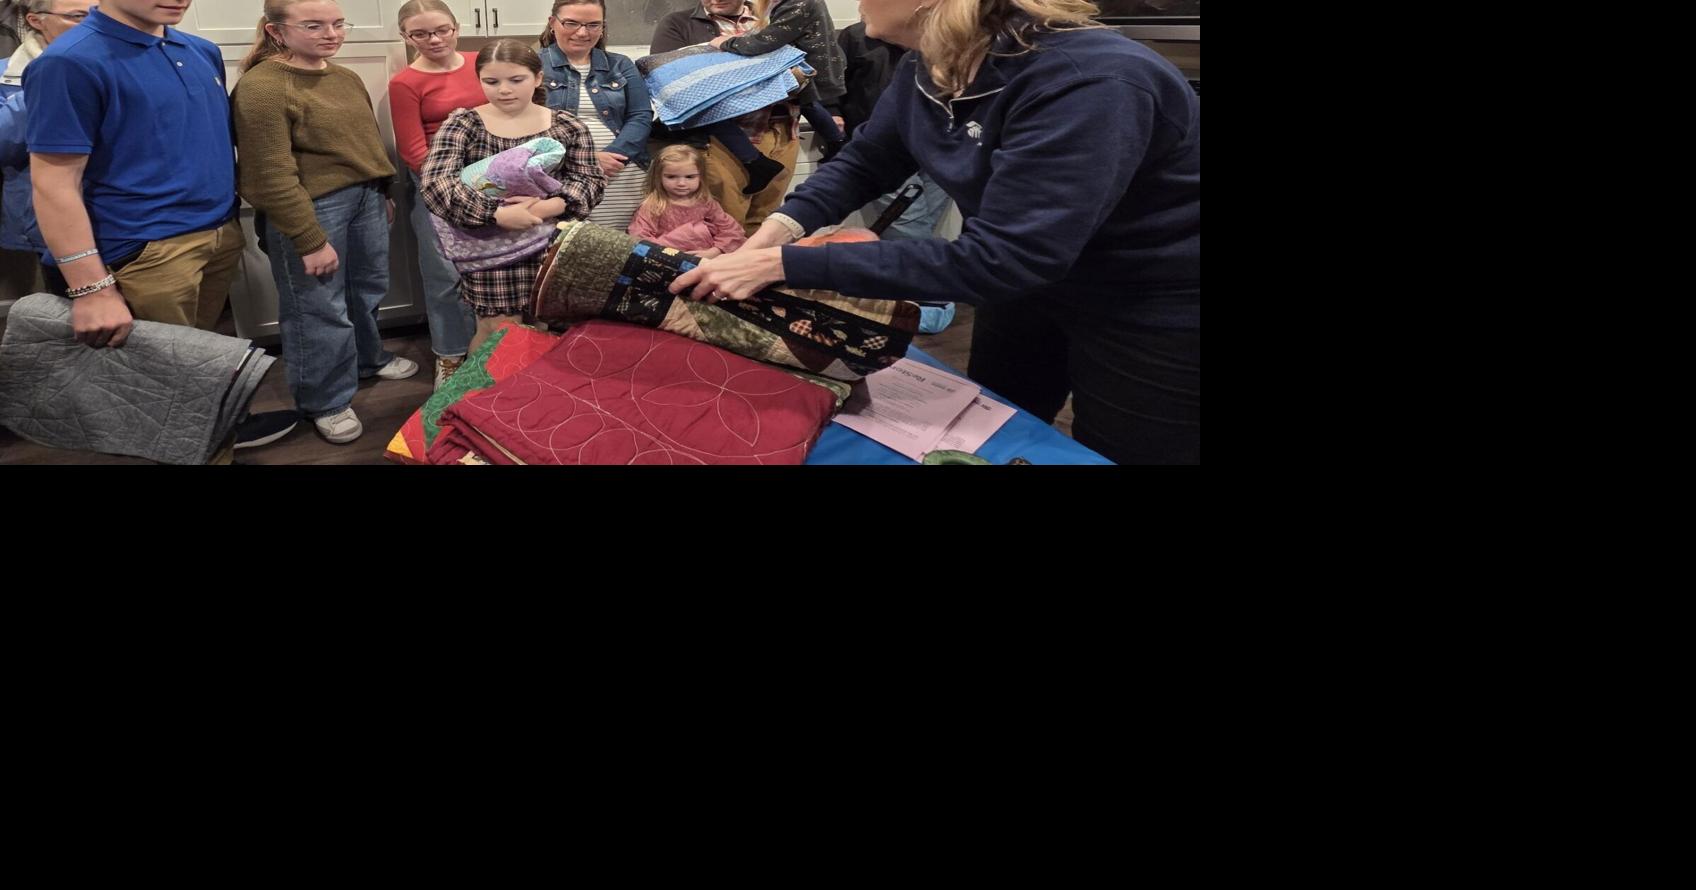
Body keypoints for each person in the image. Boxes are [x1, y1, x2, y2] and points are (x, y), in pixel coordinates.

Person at [671, 0, 1200, 465]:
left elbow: (1003, 258)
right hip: (1028, 290)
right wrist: (772, 237)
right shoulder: (930, 66)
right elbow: (865, 163)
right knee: (998, 420)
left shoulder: (1088, 80)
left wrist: (781, 265)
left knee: (1124, 450)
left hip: (1148, 300)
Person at [26, 0, 300, 448]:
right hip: (144, 249)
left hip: (217, 233)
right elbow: (54, 182)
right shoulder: (69, 62)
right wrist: (90, 288)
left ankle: (220, 435)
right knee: (161, 395)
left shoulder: (200, 50)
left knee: (197, 367)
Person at [233, 0, 420, 445]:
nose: (331, 34)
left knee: (367, 288)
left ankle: (368, 358)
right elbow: (267, 174)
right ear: (276, 31)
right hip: (312, 207)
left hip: (364, 199)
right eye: (314, 25)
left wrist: (382, 190)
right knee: (317, 308)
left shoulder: (344, 76)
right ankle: (325, 401)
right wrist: (307, 237)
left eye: (337, 24)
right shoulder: (263, 87)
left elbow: (366, 143)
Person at [420, 38, 604, 356]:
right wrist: (498, 214)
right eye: (491, 82)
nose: (504, 90)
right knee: (497, 331)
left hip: (550, 243)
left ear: (538, 78)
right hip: (487, 250)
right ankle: (485, 403)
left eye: (516, 80)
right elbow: (437, 185)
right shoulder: (463, 124)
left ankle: (532, 401)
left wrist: (550, 205)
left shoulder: (567, 126)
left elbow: (590, 180)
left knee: (542, 326)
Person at [388, 0, 480, 389]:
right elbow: (413, 151)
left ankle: (492, 349)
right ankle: (450, 354)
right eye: (421, 33)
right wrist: (454, 188)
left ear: (456, 28)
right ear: (406, 37)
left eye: (442, 29)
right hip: (436, 187)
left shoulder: (481, 62)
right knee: (444, 274)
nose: (434, 39)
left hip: (494, 181)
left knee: (493, 269)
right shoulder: (405, 82)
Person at [538, 0, 651, 232]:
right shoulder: (533, 64)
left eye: (593, 25)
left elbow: (640, 115)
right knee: (577, 247)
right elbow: (523, 125)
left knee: (631, 246)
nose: (582, 32)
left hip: (622, 171)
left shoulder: (620, 64)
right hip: (562, 173)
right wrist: (588, 160)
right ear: (553, 23)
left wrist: (615, 155)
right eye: (571, 23)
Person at [626, 143, 746, 257]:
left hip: (705, 261)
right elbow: (639, 237)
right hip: (667, 261)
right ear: (658, 176)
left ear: (701, 176)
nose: (681, 183)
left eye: (690, 177)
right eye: (671, 177)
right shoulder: (653, 205)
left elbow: (730, 230)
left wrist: (715, 251)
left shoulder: (706, 203)